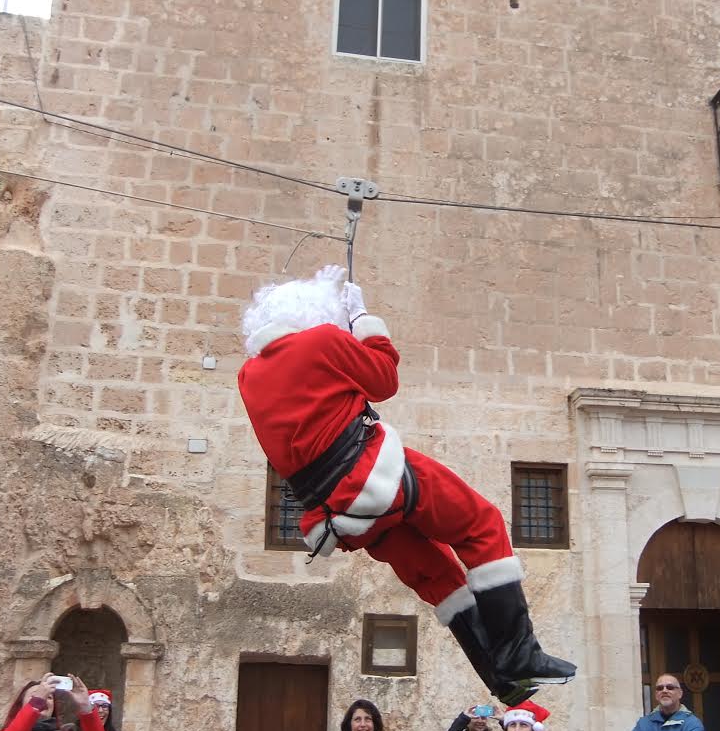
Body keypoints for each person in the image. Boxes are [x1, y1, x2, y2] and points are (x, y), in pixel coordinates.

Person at [236, 266, 575, 705]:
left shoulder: (248, 376)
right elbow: (384, 379)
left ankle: (502, 680)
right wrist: (364, 324)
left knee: (437, 575)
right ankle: (519, 654)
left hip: (335, 516)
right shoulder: (321, 342)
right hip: (374, 475)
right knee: (480, 524)